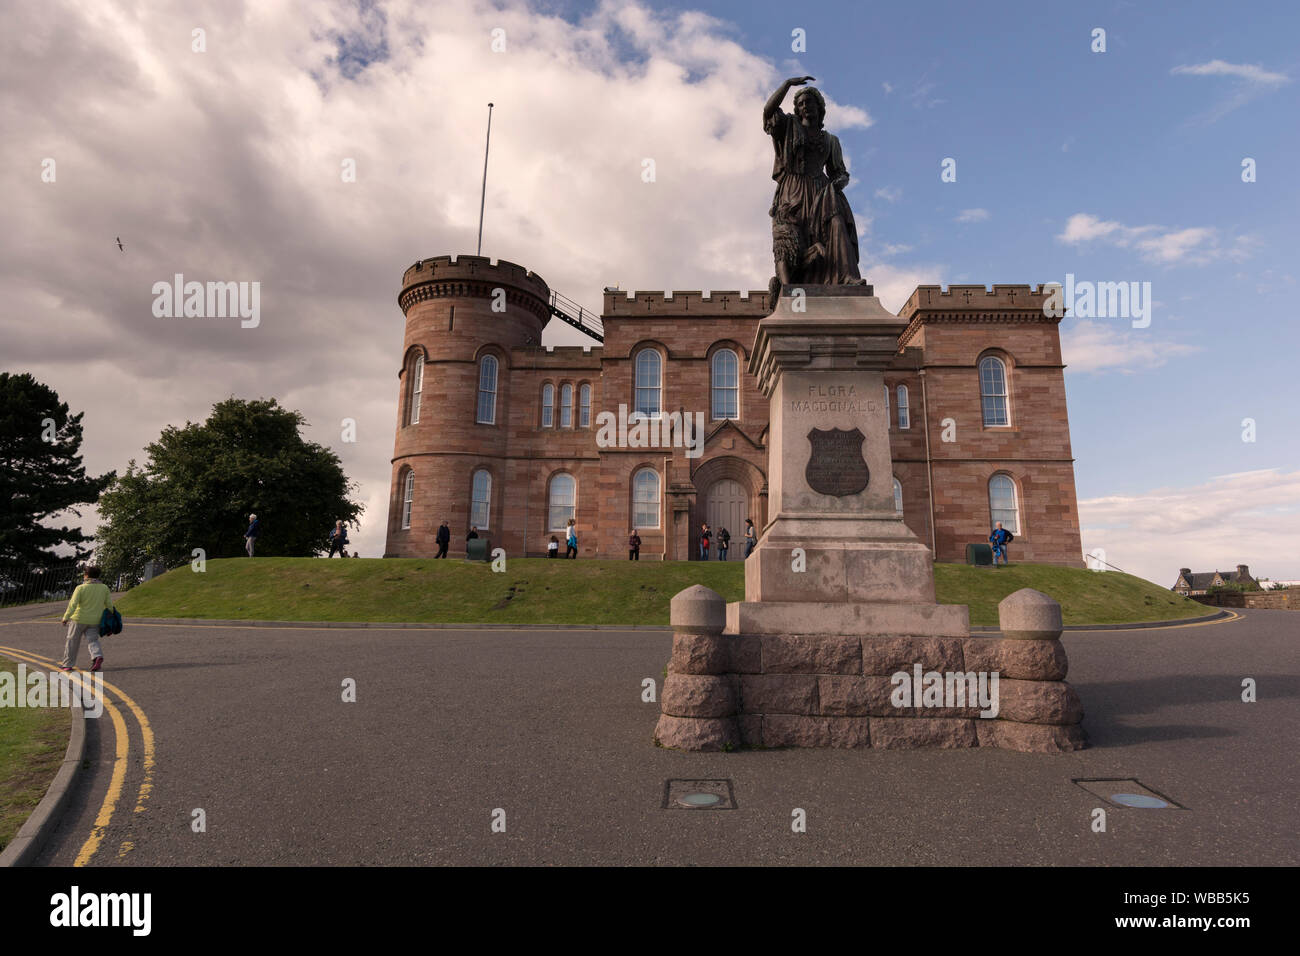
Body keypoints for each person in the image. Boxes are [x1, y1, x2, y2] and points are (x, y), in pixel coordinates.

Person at [59, 565, 115, 673]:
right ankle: (97, 656)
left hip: (78, 619)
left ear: (86, 575)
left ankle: (67, 664)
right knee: (93, 640)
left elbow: (73, 605)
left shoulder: (80, 588)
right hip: (95, 620)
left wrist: (66, 617)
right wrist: (112, 618)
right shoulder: (104, 588)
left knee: (72, 642)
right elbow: (109, 604)